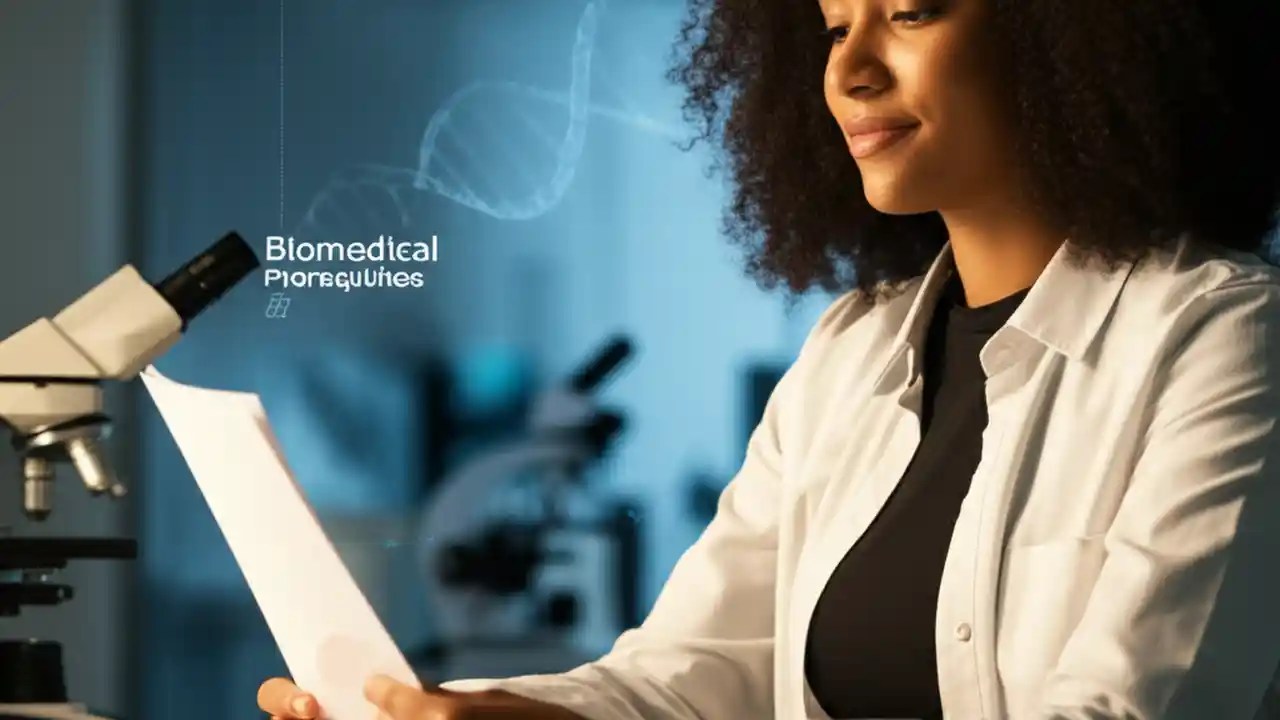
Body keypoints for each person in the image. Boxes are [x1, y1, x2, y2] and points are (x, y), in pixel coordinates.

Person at [258, 0, 1280, 717]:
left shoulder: (1221, 336)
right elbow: (690, 677)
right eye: (834, 25)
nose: (848, 68)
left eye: (911, 14)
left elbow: (1133, 705)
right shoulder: (850, 352)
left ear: (1066, 38)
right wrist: (463, 713)